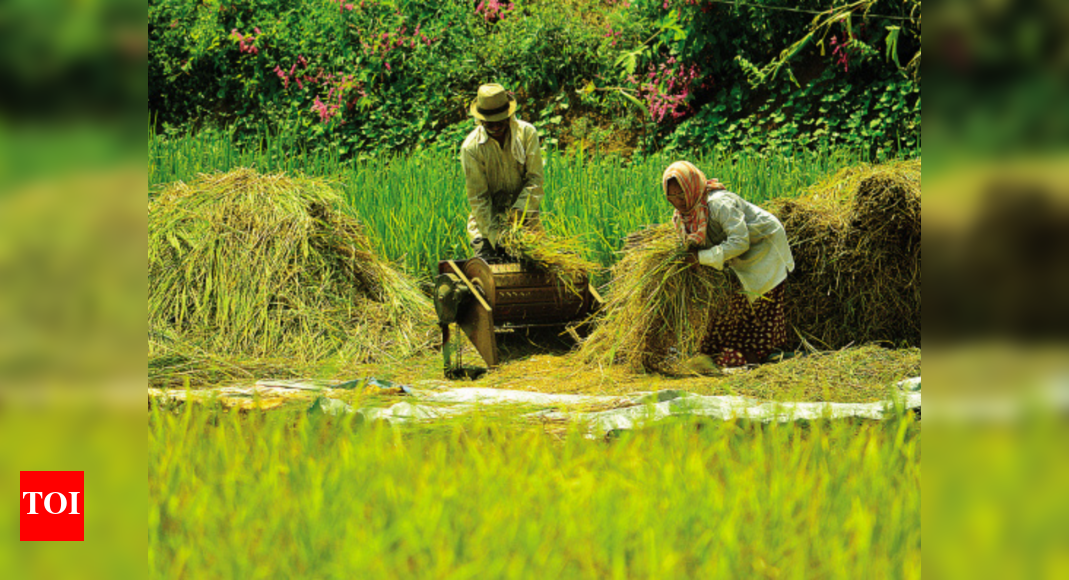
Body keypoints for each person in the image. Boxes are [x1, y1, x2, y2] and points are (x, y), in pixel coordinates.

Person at [663, 160, 795, 368]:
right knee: (734, 301)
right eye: (672, 197)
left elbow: (740, 241)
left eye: (681, 195)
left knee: (761, 299)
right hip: (738, 253)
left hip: (763, 246)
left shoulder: (718, 203)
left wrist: (701, 258)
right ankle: (723, 351)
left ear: (692, 187)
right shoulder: (684, 215)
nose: (678, 201)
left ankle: (764, 353)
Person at [460, 83, 545, 260]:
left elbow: (535, 181)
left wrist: (518, 214)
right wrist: (497, 239)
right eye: (490, 123)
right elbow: (478, 198)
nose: (496, 127)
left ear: (509, 115)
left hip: (526, 222)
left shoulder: (526, 134)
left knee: (538, 274)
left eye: (500, 121)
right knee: (492, 274)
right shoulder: (471, 148)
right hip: (486, 226)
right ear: (480, 119)